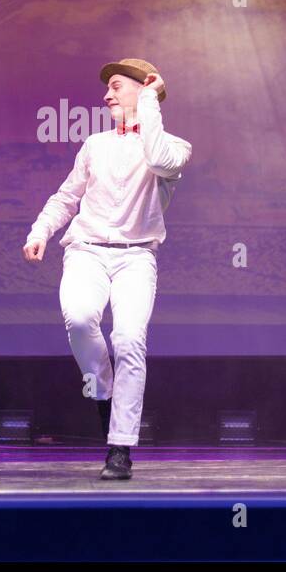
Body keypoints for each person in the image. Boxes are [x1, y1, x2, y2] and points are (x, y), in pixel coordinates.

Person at [23, 59, 193, 479]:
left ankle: (120, 448)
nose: (106, 95)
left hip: (136, 257)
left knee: (130, 340)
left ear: (145, 89)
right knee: (80, 320)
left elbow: (155, 156)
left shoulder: (175, 148)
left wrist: (150, 100)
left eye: (117, 86)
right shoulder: (94, 144)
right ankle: (104, 393)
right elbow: (67, 196)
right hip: (86, 251)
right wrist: (40, 230)